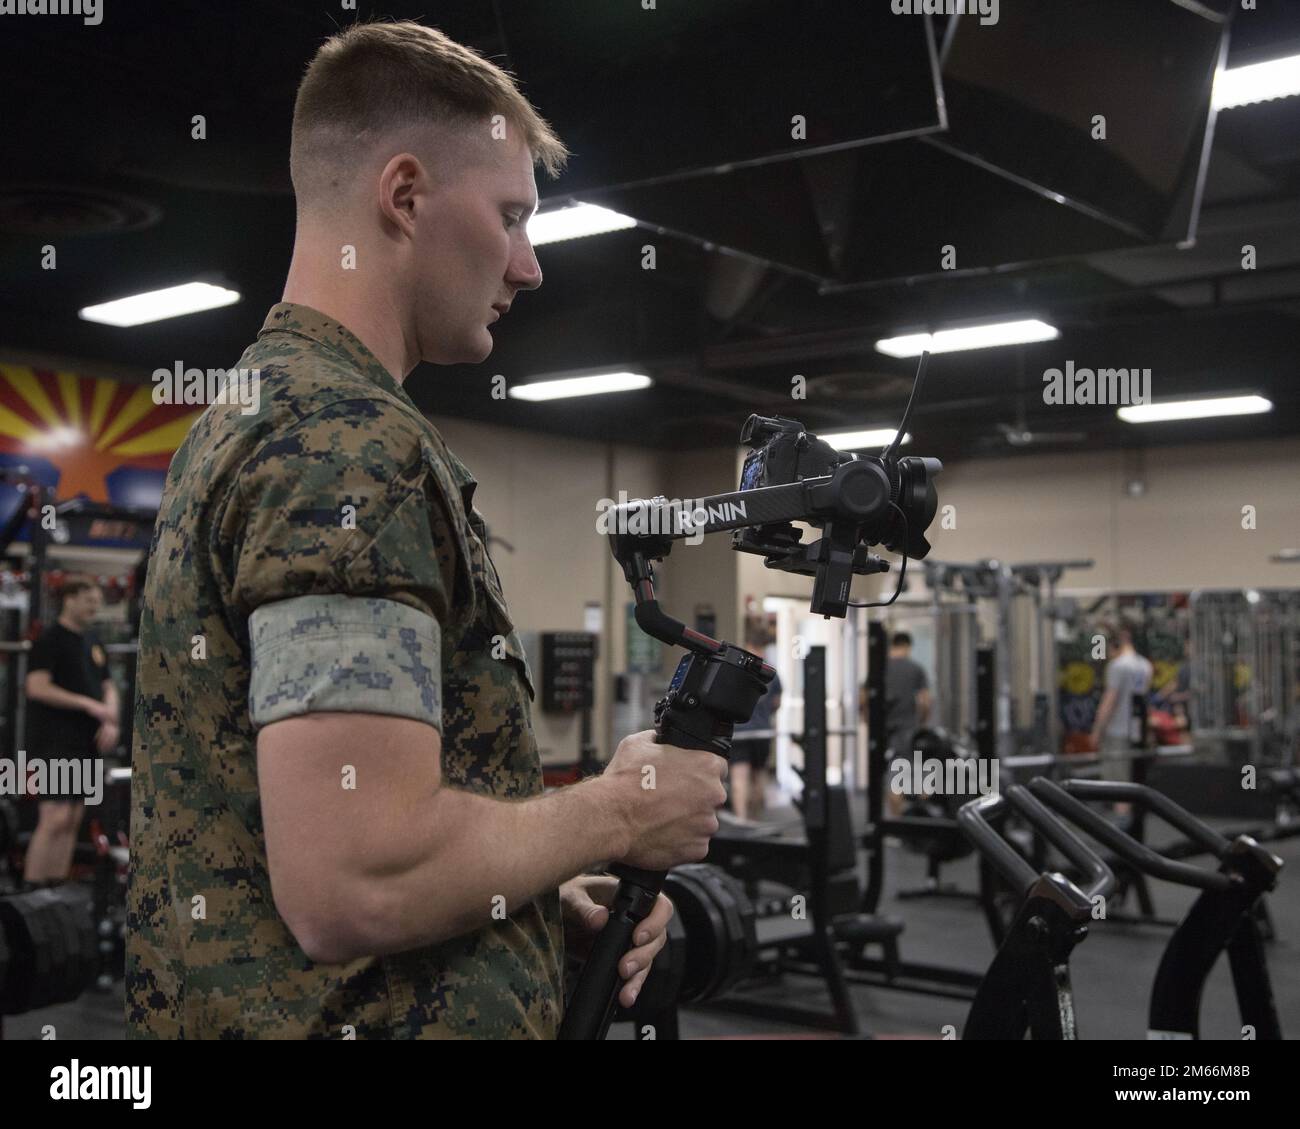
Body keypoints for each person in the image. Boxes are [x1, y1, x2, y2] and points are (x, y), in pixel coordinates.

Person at [126, 21, 726, 1040]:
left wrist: (526, 902)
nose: (529, 266)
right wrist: (618, 808)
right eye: (510, 216)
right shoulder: (345, 445)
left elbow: (336, 845)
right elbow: (353, 880)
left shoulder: (255, 409)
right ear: (403, 197)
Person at [22, 577, 119, 889]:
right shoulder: (50, 639)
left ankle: (56, 891)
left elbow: (108, 685)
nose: (94, 607)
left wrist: (110, 719)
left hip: (84, 742)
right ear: (70, 599)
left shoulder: (93, 641)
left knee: (74, 819)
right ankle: (32, 893)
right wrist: (89, 706)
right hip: (53, 741)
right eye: (89, 600)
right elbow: (36, 687)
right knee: (54, 819)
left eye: (97, 601)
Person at [864, 632, 931, 816]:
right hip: (909, 731)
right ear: (907, 646)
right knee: (917, 779)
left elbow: (863, 698)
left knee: (892, 778)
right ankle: (916, 825)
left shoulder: (878, 669)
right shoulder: (915, 668)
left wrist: (868, 721)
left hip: (884, 733)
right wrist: (922, 724)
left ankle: (896, 823)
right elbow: (925, 700)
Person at [1090, 626, 1154, 794]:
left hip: (1117, 731)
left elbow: (1109, 701)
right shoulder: (1145, 665)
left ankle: (1121, 815)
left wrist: (1097, 730)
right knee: (1133, 775)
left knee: (1117, 780)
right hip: (1136, 731)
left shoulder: (1117, 666)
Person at [728, 658, 782, 821]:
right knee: (758, 777)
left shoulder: (736, 666)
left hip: (739, 732)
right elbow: (776, 703)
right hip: (761, 731)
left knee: (739, 778)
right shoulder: (771, 670)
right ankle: (755, 823)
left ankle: (742, 822)